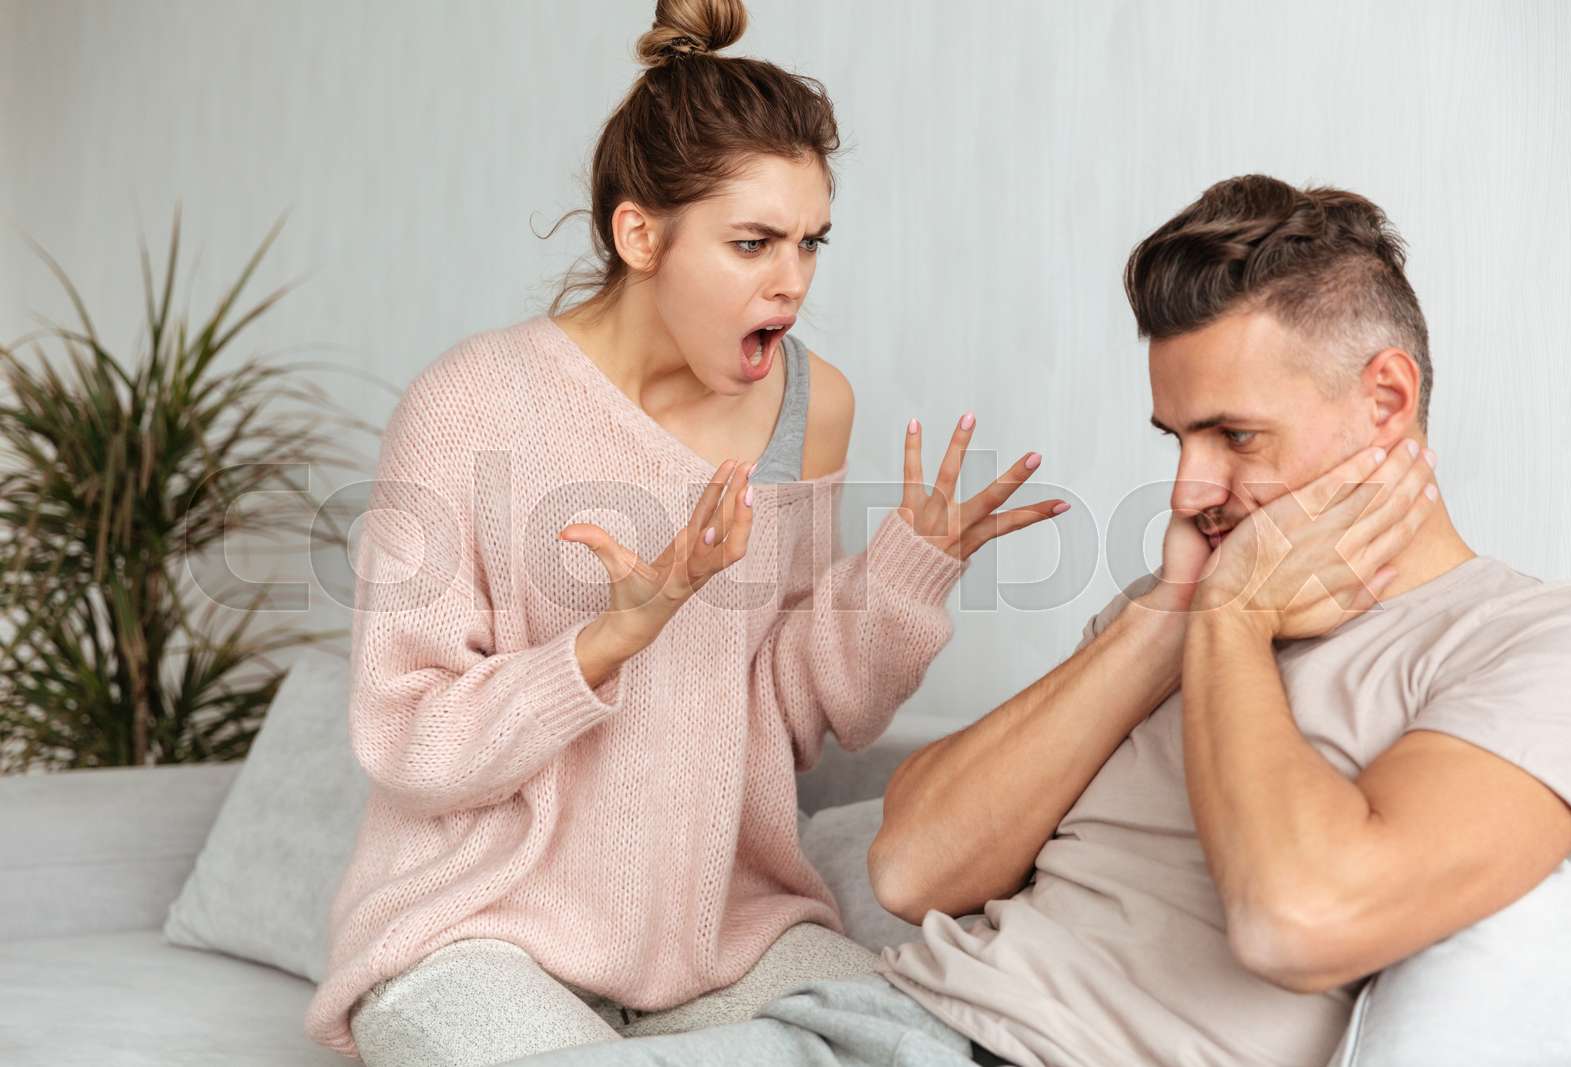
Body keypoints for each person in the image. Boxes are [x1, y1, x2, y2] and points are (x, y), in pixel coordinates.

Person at [512, 176, 1571, 1067]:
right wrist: (1169, 616)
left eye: (1235, 436)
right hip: (882, 1019)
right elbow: (911, 865)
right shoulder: (1179, 600)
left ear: (1387, 399)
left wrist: (1228, 622)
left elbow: (1299, 919)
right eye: (1176, 437)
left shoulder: (1539, 641)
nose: (1188, 488)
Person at [301, 0, 1066, 1062]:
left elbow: (793, 711)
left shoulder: (810, 407)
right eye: (751, 242)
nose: (790, 280)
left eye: (809, 242)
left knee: (934, 1047)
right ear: (640, 233)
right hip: (477, 925)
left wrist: (904, 571)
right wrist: (611, 637)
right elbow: (407, 735)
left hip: (722, 929)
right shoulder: (472, 405)